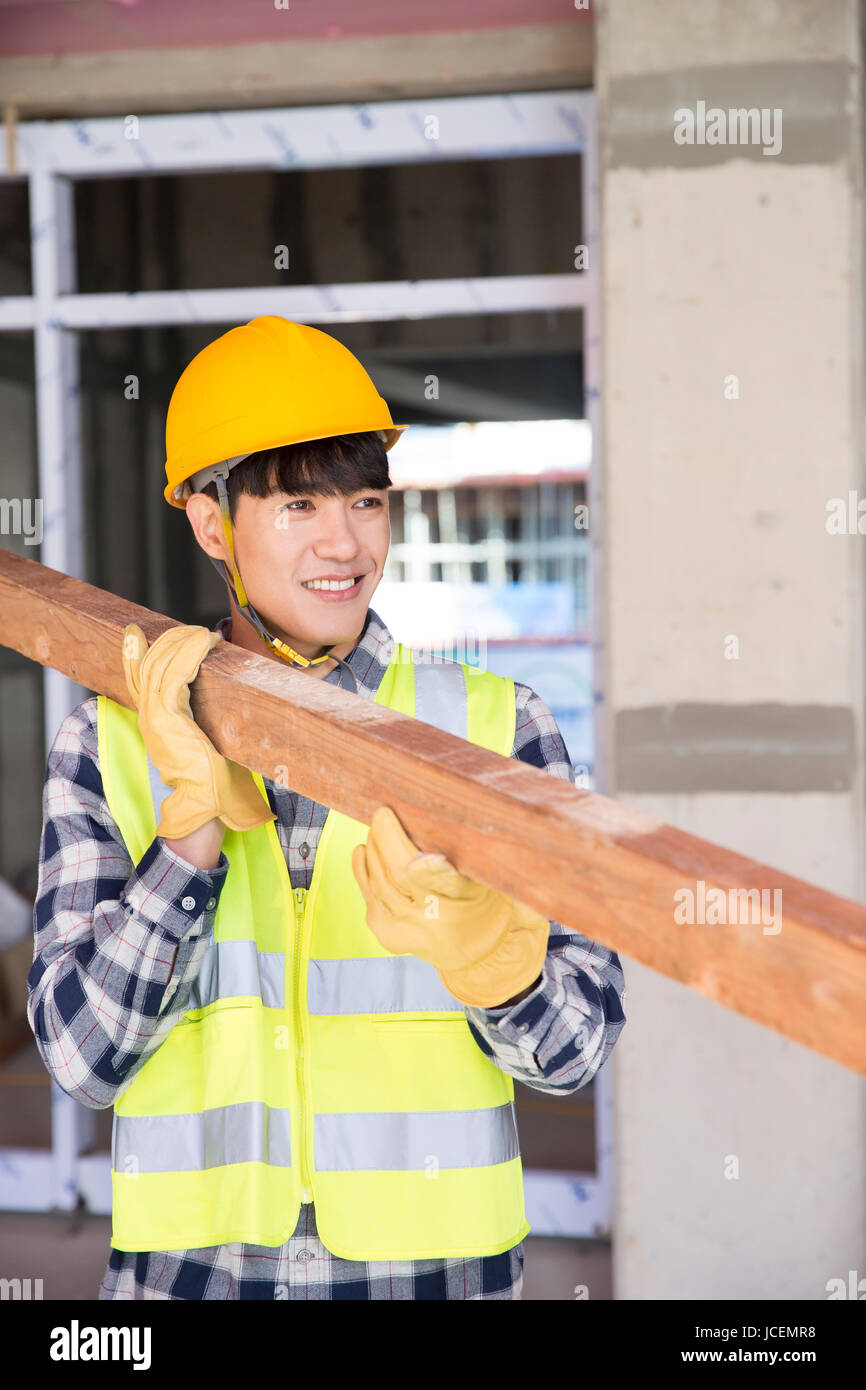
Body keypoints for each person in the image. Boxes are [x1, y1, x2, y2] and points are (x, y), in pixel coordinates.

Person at [28, 316, 626, 1300]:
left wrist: (491, 961)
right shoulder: (112, 743)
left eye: (364, 499)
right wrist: (184, 846)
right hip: (193, 1272)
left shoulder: (488, 728)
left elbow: (575, 1051)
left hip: (437, 1273)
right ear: (213, 524)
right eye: (297, 503)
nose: (343, 541)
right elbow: (83, 1059)